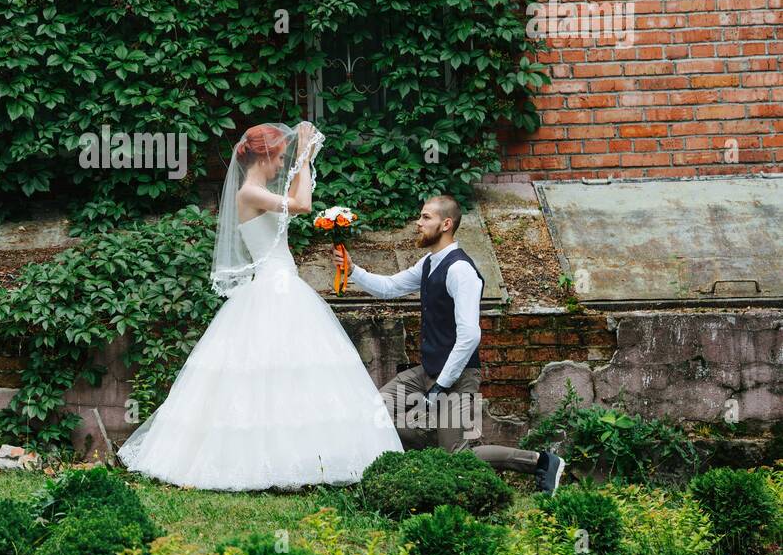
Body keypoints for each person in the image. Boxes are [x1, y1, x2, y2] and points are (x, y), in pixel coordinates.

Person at [116, 121, 403, 491]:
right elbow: (302, 204)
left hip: (284, 285)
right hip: (273, 287)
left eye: (286, 158)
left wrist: (302, 160)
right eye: (279, 158)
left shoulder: (261, 191)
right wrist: (304, 156)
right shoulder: (249, 192)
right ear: (265, 155)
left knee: (295, 374)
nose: (281, 164)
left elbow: (296, 202)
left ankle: (305, 456)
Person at [335, 196, 566, 494]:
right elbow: (391, 287)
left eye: (425, 217)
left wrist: (441, 386)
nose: (418, 223)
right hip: (425, 372)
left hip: (457, 377)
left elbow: (470, 336)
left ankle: (541, 462)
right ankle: (434, 441)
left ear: (446, 224)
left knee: (456, 455)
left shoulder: (461, 271)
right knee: (374, 412)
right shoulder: (430, 263)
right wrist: (353, 270)